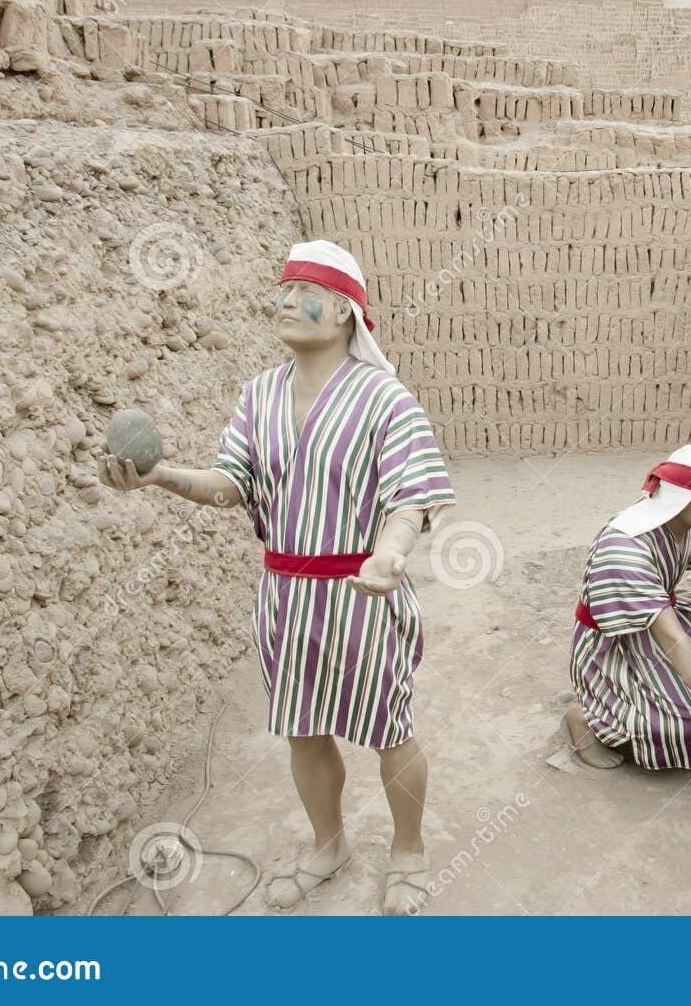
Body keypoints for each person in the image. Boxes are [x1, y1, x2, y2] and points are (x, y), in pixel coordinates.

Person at [99, 239, 455, 914]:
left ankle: (408, 848)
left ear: (348, 311)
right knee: (304, 728)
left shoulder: (384, 397)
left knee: (390, 727)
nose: (290, 301)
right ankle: (329, 843)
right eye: (285, 289)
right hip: (286, 596)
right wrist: (157, 476)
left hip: (364, 594)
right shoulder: (259, 394)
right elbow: (231, 483)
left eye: (308, 290)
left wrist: (390, 553)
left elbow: (410, 495)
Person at [565, 445, 691, 771]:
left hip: (661, 617)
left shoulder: (690, 524)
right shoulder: (626, 549)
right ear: (683, 497)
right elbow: (670, 636)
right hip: (617, 641)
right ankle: (588, 721)